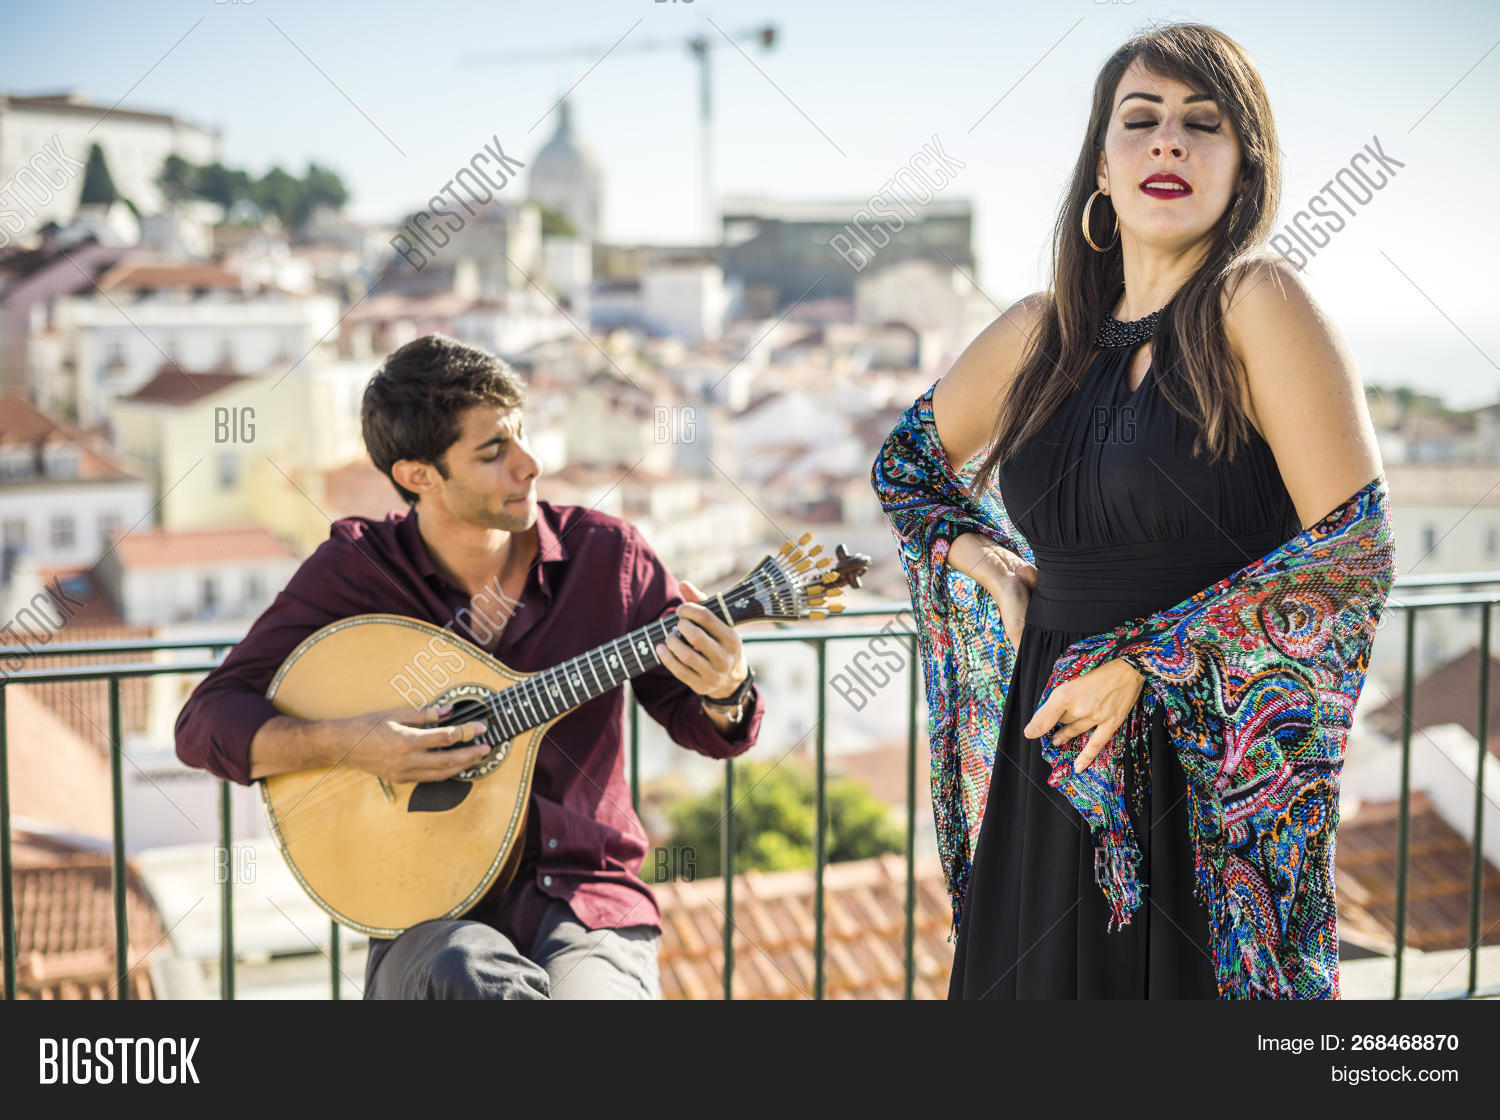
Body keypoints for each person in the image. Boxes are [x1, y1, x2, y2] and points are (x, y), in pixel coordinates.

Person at [875, 24, 1386, 998]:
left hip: (1205, 783)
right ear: (1100, 169)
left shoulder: (1259, 303)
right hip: (1052, 745)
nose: (1168, 143)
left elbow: (1353, 552)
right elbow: (908, 464)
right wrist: (982, 557)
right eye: (1139, 120)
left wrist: (1144, 669)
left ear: (1244, 170)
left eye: (1204, 125)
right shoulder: (1037, 333)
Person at [174, 333, 764, 999]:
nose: (530, 465)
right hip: (425, 918)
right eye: (494, 452)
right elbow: (205, 720)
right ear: (419, 476)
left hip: (587, 904)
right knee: (468, 974)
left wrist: (726, 689)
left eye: (521, 437)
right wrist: (356, 744)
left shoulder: (607, 557)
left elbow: (700, 720)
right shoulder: (359, 572)